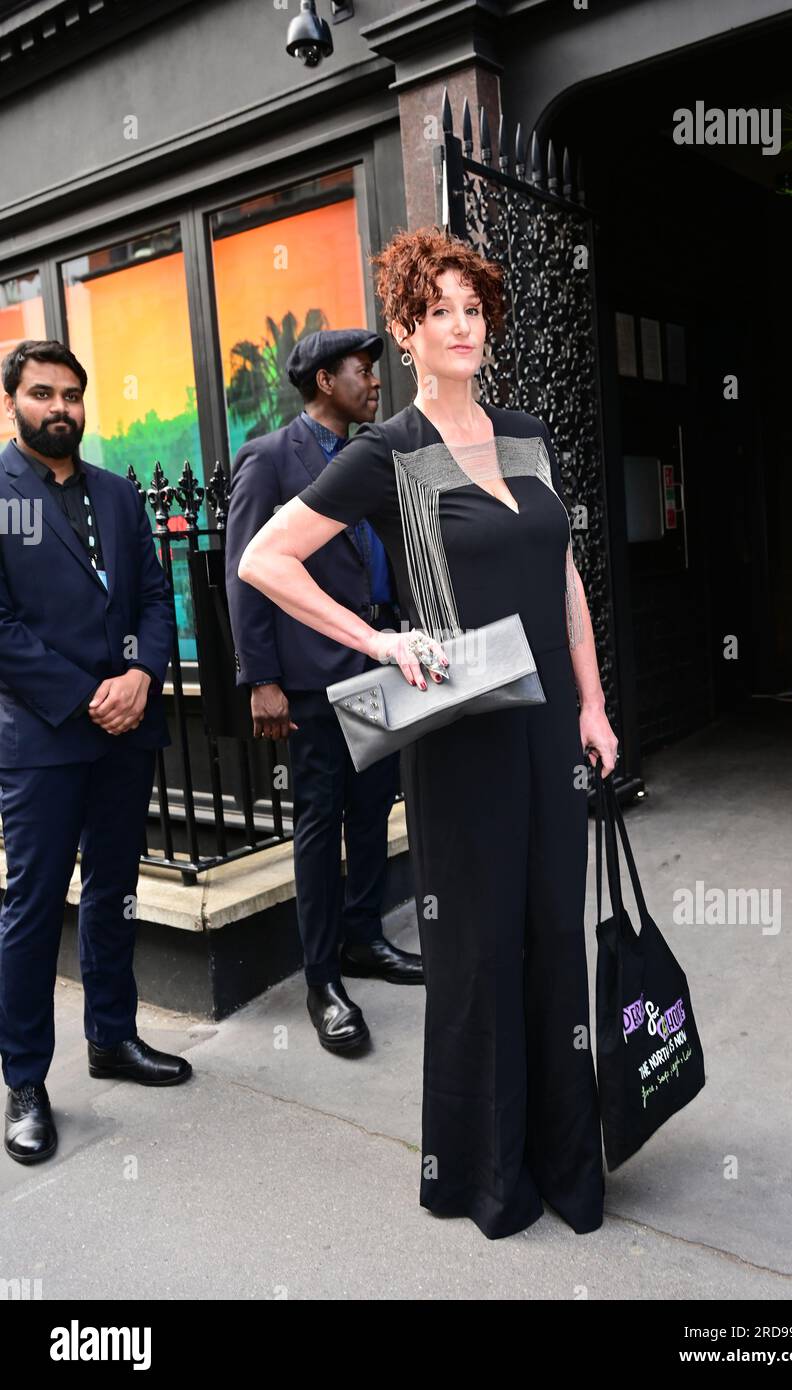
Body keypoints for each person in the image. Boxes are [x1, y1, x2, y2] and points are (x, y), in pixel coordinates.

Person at [237, 227, 619, 1240]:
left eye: (473, 308)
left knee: (555, 936)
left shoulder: (527, 434)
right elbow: (267, 559)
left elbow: (565, 578)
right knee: (481, 951)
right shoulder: (389, 451)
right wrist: (376, 637)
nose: (460, 326)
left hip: (551, 727)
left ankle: (567, 1160)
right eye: (437, 310)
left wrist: (592, 704)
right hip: (462, 732)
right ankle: (488, 1174)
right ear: (405, 333)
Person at [0, 339, 190, 1167]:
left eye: (71, 395)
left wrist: (142, 674)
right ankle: (24, 1081)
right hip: (43, 738)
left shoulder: (116, 493)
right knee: (35, 906)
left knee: (115, 891)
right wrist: (88, 695)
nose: (60, 408)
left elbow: (152, 595)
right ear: (12, 401)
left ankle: (113, 1036)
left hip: (126, 731)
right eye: (42, 393)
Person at [226, 329, 423, 1053]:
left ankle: (364, 938)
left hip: (380, 662)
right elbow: (246, 570)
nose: (374, 382)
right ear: (322, 381)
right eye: (361, 371)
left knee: (373, 810)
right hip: (311, 676)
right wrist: (262, 677)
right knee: (319, 824)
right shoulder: (270, 458)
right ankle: (322, 982)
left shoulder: (374, 455)